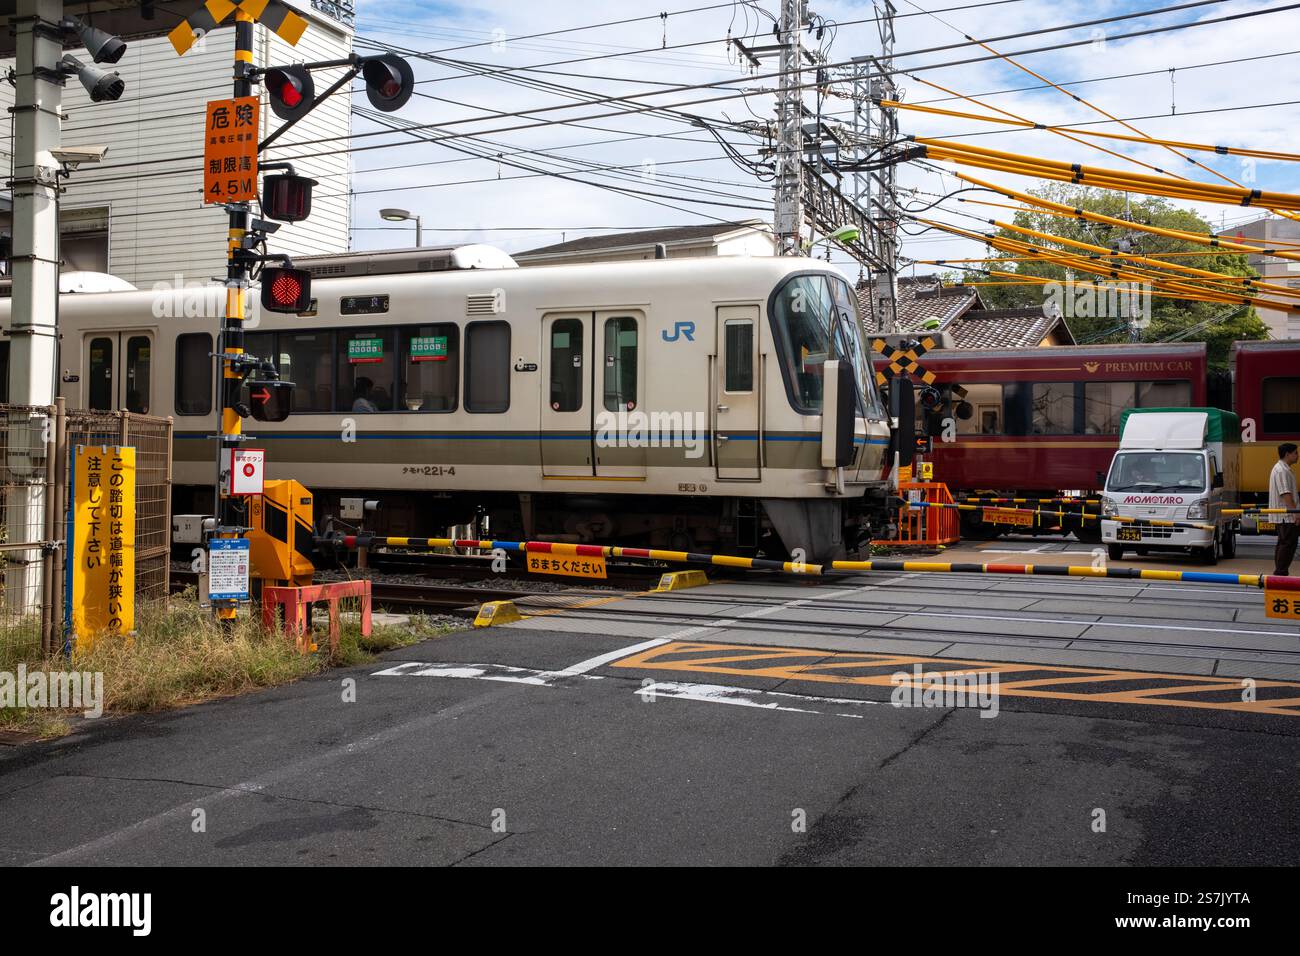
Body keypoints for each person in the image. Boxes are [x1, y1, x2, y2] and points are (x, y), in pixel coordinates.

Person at [1270, 442, 1299, 576]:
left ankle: (1280, 571)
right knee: (1287, 544)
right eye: (1295, 453)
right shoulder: (1282, 470)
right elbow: (1285, 493)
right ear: (1287, 454)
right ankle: (1280, 572)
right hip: (1286, 515)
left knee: (1283, 543)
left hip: (1284, 515)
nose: (1297, 456)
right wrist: (1295, 513)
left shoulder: (1282, 468)